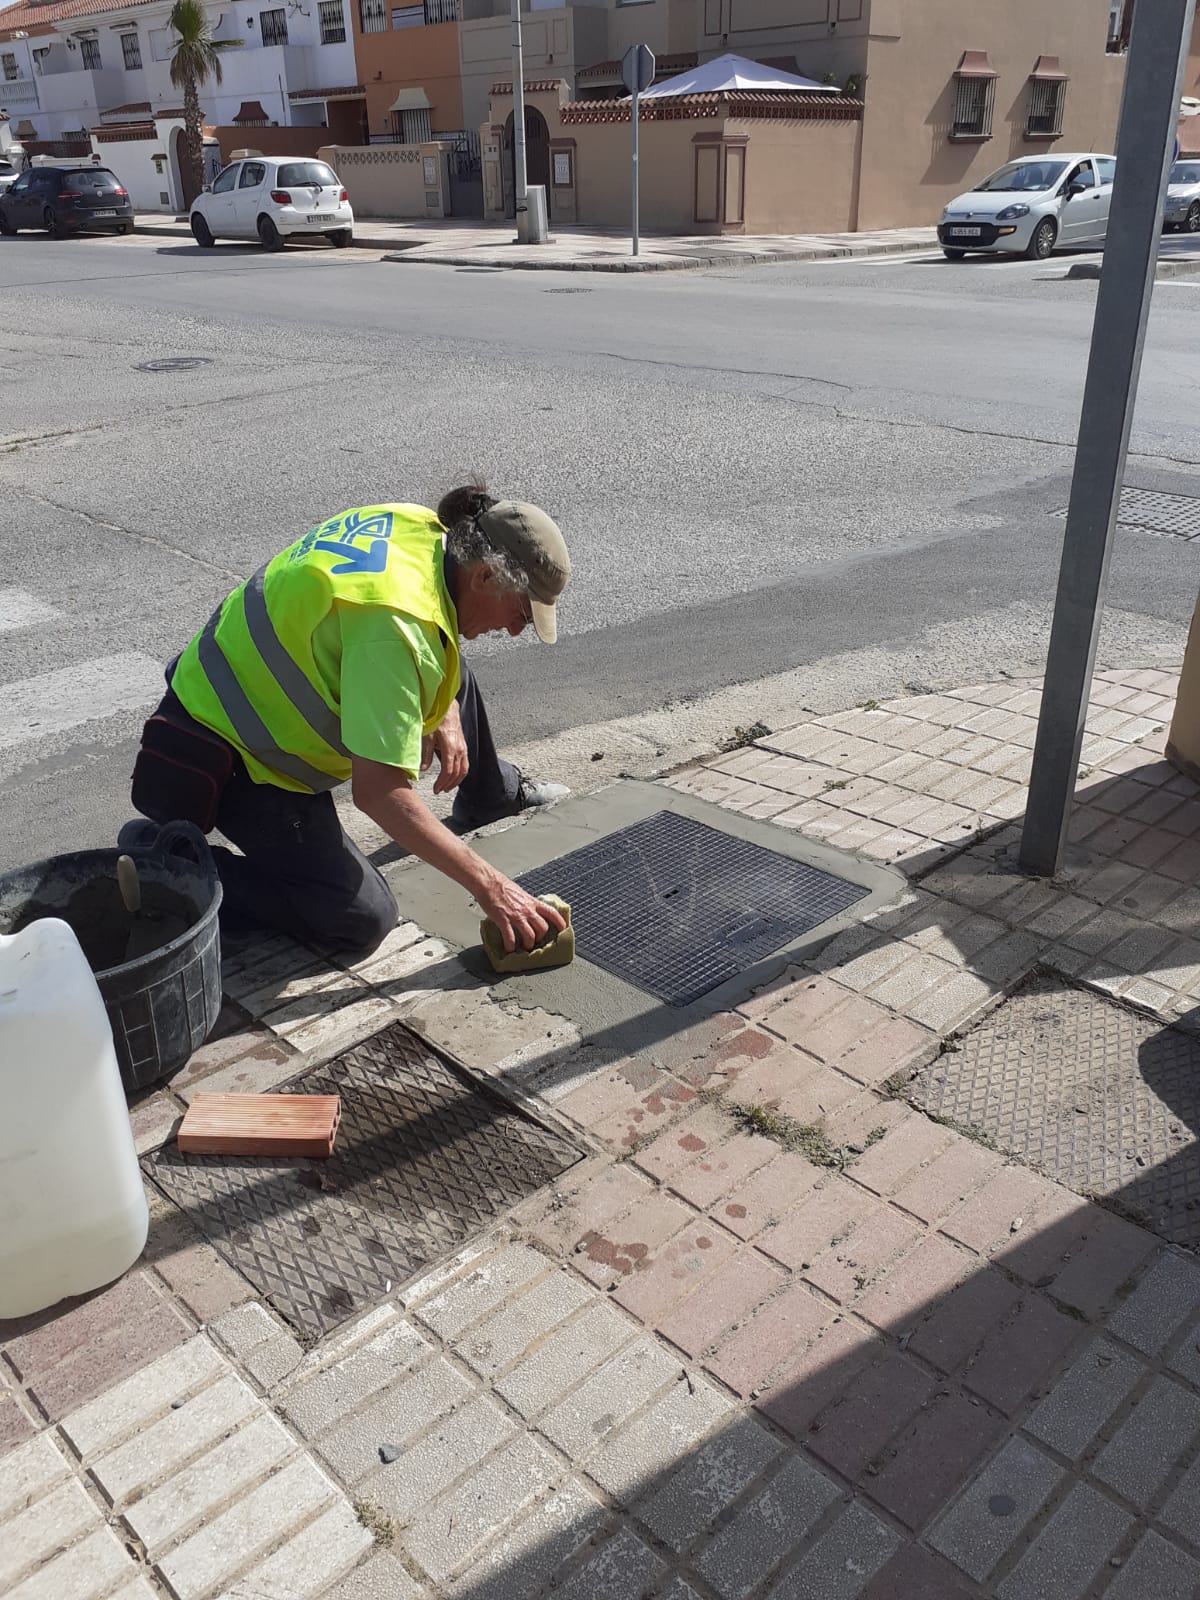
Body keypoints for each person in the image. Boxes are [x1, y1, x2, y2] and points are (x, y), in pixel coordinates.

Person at [121, 485, 570, 957]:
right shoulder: (394, 631)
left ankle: (489, 796)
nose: (516, 630)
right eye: (522, 612)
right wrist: (491, 887)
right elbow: (379, 793)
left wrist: (444, 710)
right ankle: (166, 865)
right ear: (484, 575)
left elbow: (420, 629)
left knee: (450, 663)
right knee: (363, 917)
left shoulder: (425, 531)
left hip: (238, 679)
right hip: (242, 752)